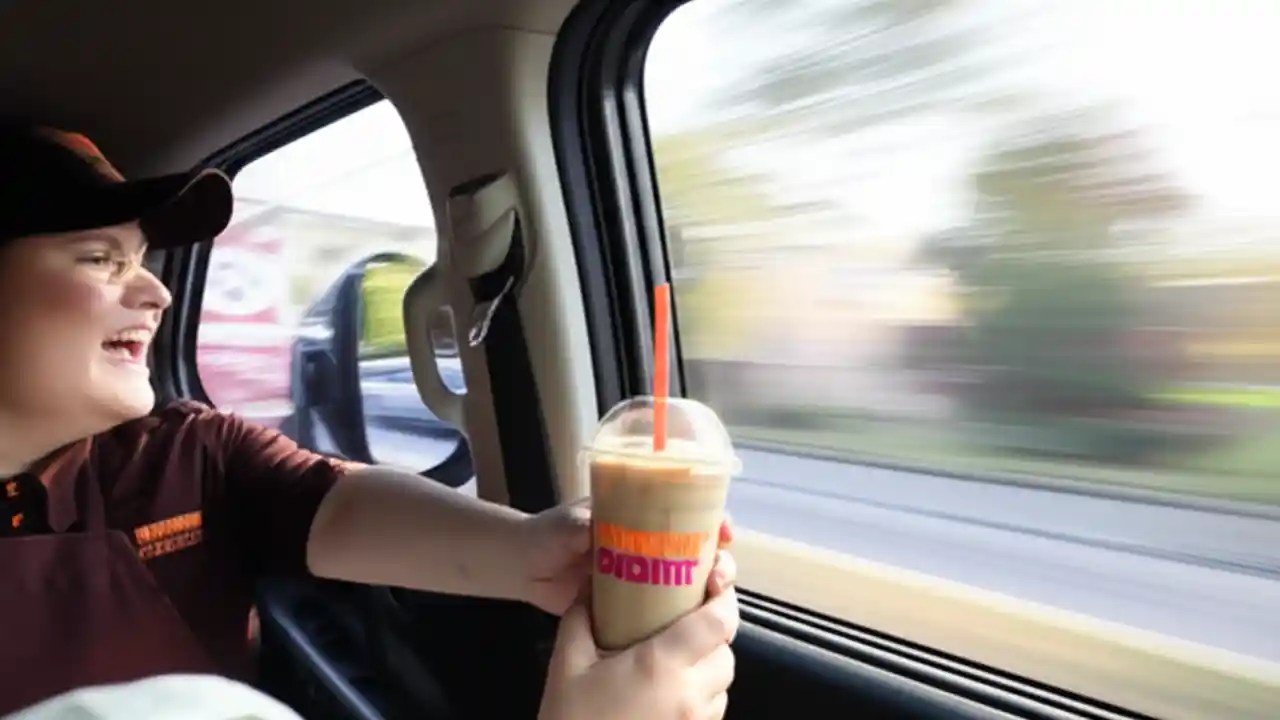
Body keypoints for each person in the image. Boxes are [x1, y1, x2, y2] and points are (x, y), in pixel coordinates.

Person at [0, 120, 738, 719]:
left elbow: (335, 502)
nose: (157, 294)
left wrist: (534, 549)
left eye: (144, 260)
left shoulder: (187, 455)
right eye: (101, 259)